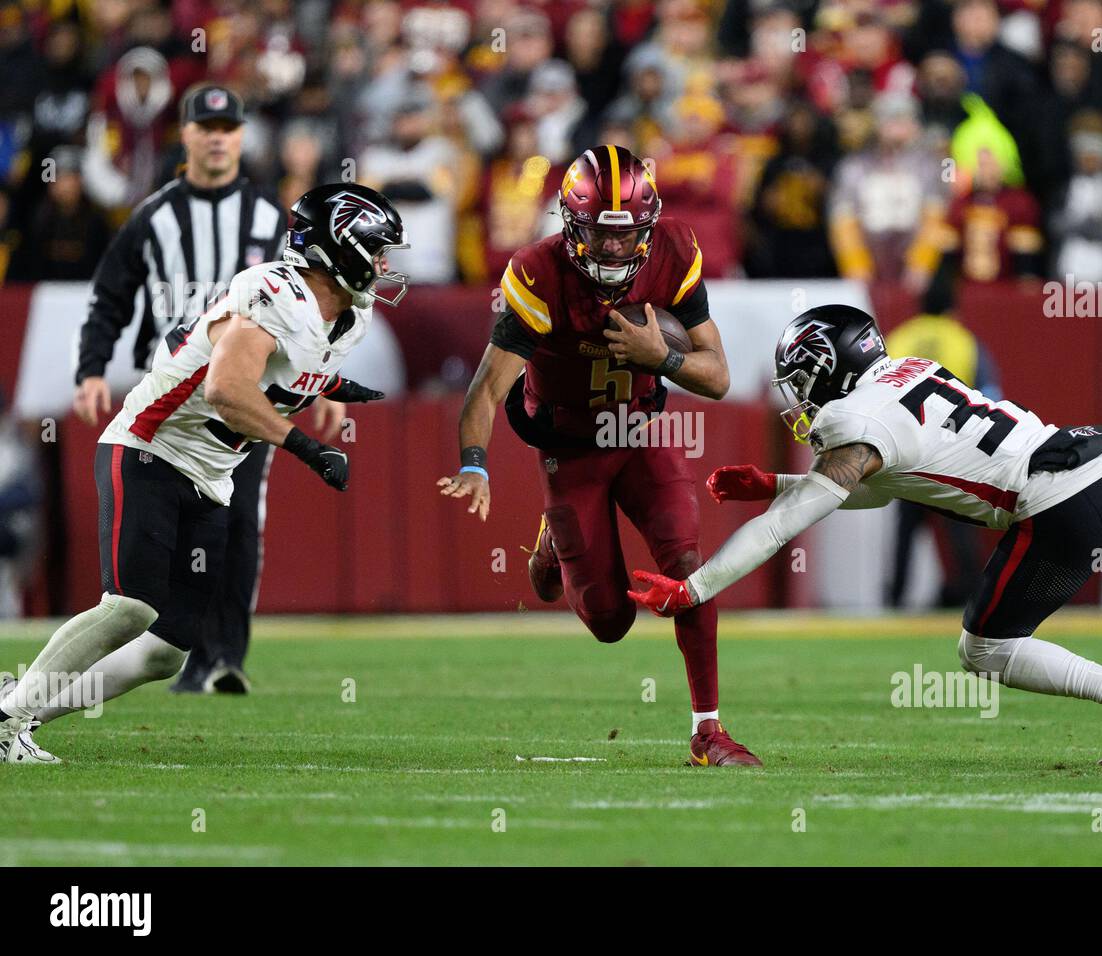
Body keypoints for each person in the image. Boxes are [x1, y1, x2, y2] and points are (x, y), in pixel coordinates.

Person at [629, 304, 1102, 765]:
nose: (799, 397)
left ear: (824, 369)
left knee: (984, 650)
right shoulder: (909, 373)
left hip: (1057, 499)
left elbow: (787, 527)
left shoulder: (852, 421)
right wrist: (779, 483)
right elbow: (887, 484)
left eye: (801, 380)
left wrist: (694, 587)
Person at [0, 183, 407, 765]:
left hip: (211, 476)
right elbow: (225, 386)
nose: (387, 265)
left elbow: (281, 370)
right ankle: (6, 720)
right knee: (129, 607)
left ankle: (20, 707)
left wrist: (335, 387)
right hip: (152, 448)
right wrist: (306, 448)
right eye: (378, 249)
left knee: (166, 651)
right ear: (338, 249)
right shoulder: (275, 293)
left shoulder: (346, 317)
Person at [438, 145, 760, 767]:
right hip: (568, 444)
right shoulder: (536, 271)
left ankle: (709, 731)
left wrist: (658, 358)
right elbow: (485, 390)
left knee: (690, 567)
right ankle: (552, 537)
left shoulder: (675, 249)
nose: (613, 249)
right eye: (598, 234)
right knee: (610, 621)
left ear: (648, 224)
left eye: (625, 234)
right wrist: (475, 463)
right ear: (569, 223)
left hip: (639, 429)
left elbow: (717, 377)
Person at [71, 84, 334, 695]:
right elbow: (109, 296)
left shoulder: (274, 218)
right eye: (206, 126)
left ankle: (222, 658)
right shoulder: (153, 216)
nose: (218, 136)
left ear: (242, 136)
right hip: (166, 398)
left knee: (239, 519)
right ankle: (169, 650)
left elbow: (311, 308)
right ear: (185, 135)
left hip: (248, 400)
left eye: (228, 126)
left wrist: (318, 384)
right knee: (164, 530)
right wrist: (90, 368)